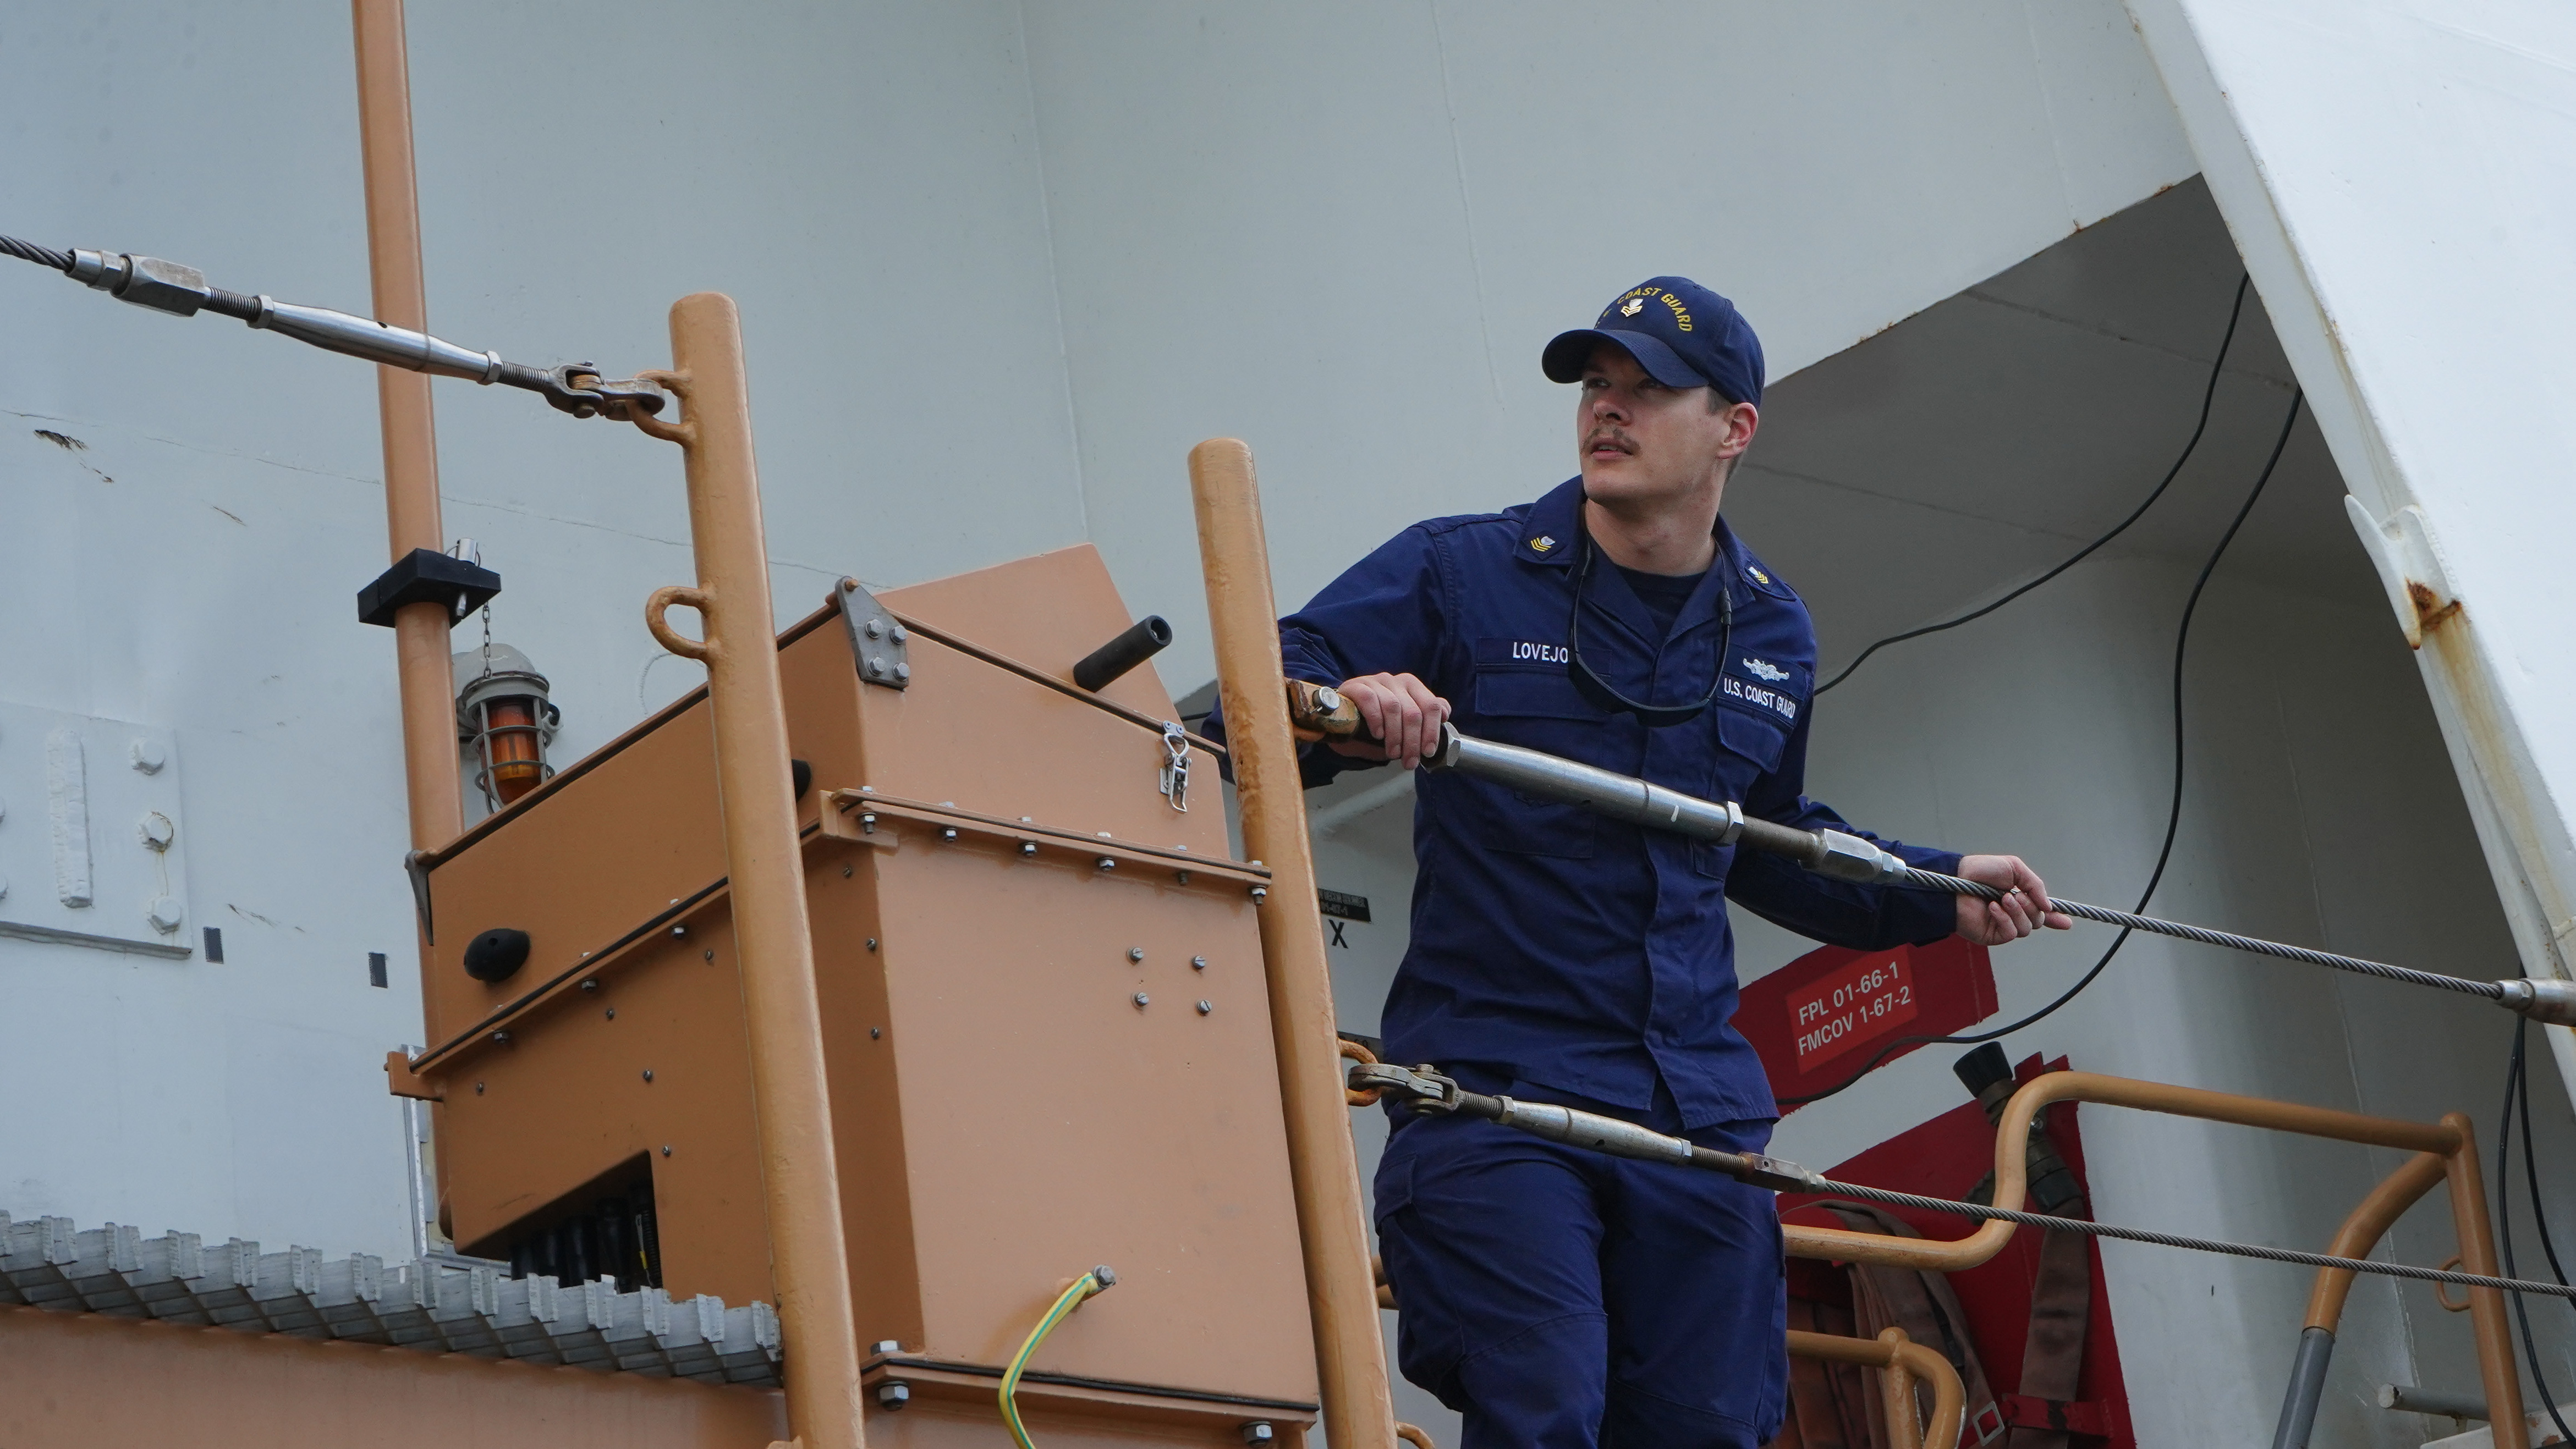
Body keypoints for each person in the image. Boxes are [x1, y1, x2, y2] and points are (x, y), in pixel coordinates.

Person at [1233, 277, 2069, 1448]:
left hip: (1694, 1116)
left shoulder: (1771, 629)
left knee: (1706, 1428)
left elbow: (1769, 843)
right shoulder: (1460, 570)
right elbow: (1257, 691)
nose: (1605, 411)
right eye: (1594, 387)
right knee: (1546, 1408)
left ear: (1734, 427)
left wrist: (1938, 889)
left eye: (1644, 389)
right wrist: (1345, 696)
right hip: (1497, 1093)